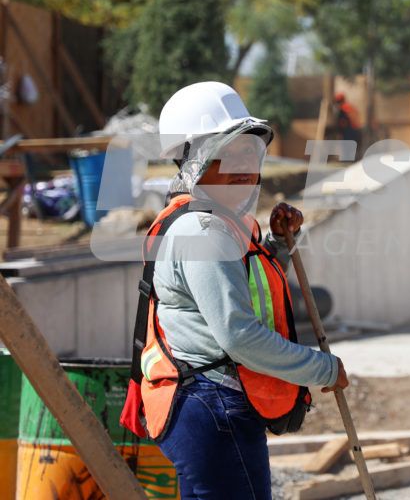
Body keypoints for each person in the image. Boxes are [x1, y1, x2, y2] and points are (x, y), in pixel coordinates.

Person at [121, 81, 348, 499]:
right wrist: (323, 368)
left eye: (250, 150)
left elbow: (244, 286)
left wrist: (279, 246)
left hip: (208, 404)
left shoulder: (220, 223)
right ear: (193, 159)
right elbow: (239, 335)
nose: (246, 164)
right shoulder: (201, 230)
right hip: (210, 406)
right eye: (229, 151)